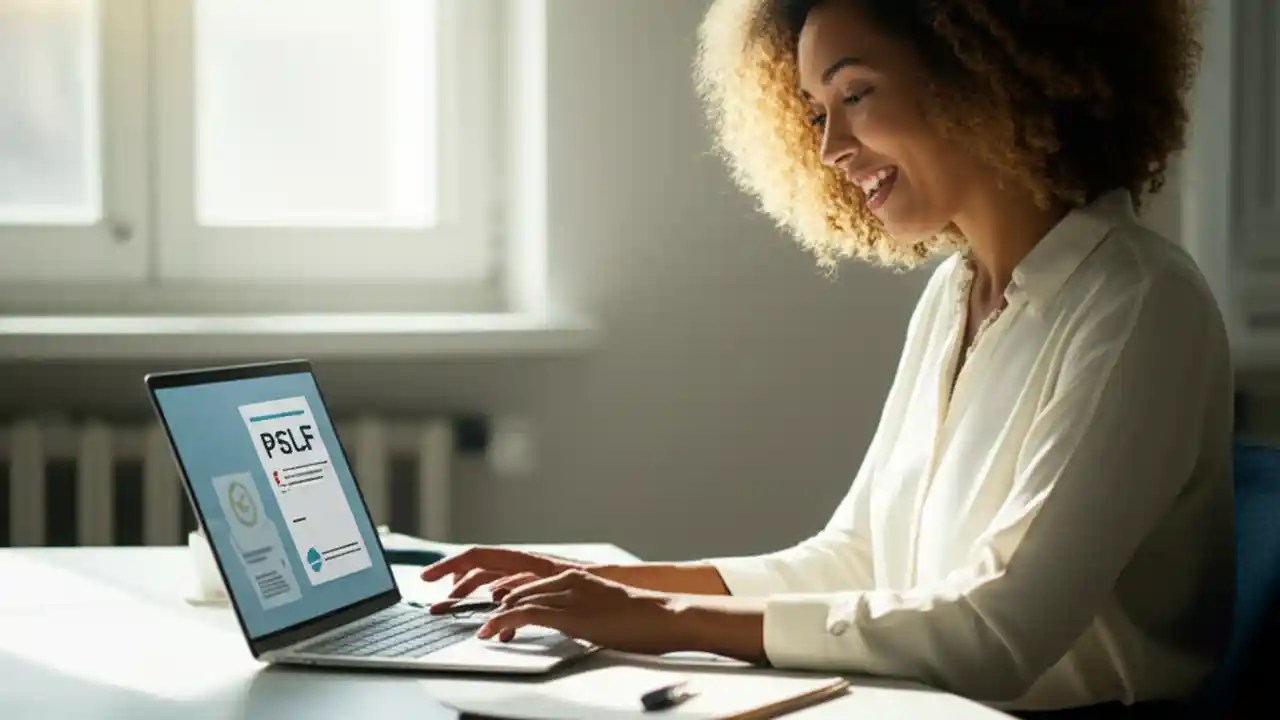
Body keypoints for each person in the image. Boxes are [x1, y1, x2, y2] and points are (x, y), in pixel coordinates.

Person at [422, 0, 1233, 715]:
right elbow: (859, 560)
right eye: (816, 112)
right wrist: (606, 590)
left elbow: (998, 631)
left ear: (983, 78)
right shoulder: (956, 296)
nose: (831, 148)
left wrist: (662, 622)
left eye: (856, 94)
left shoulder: (1138, 301)